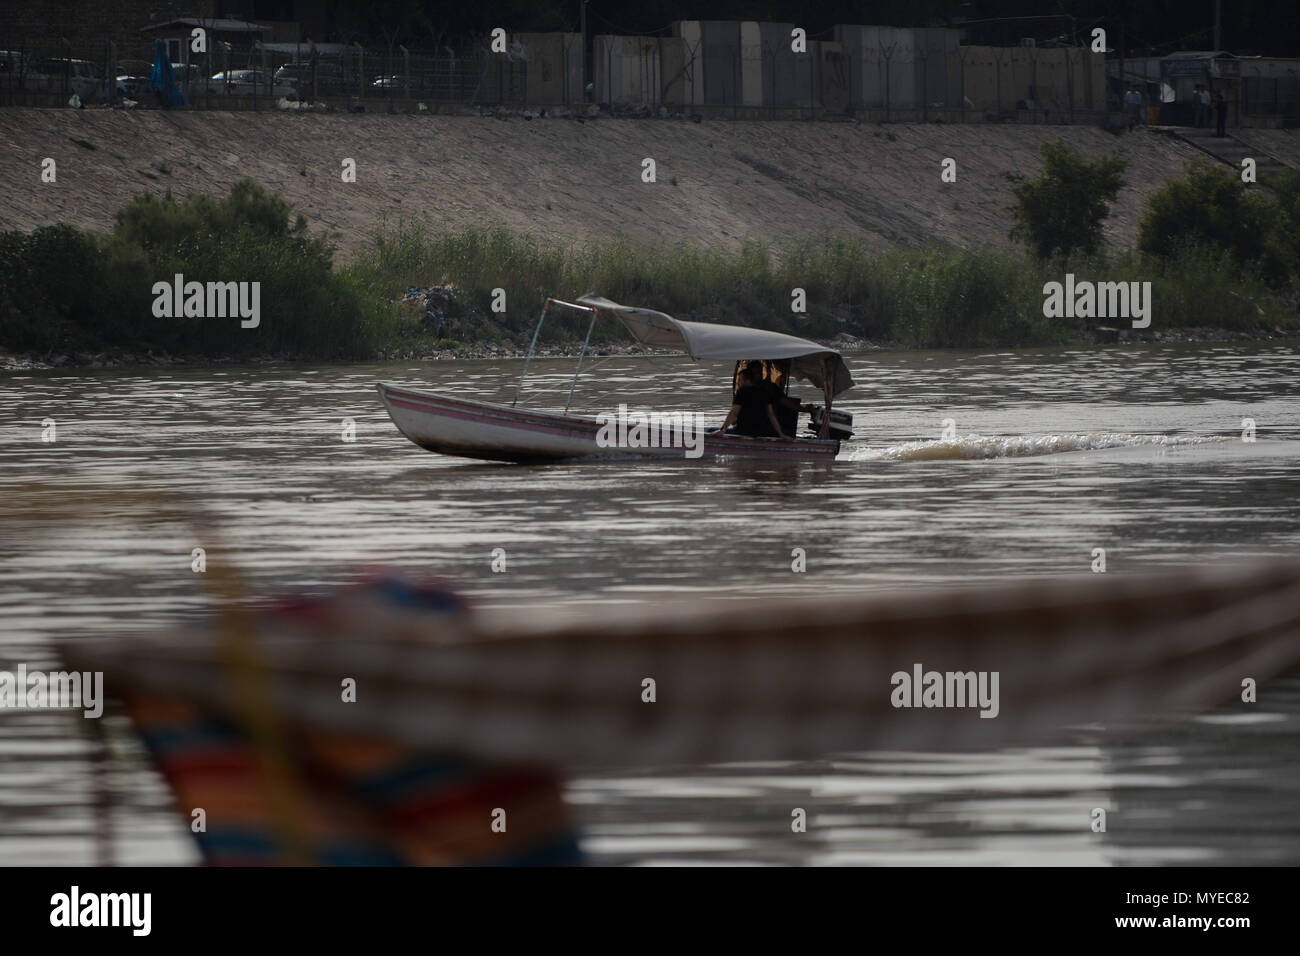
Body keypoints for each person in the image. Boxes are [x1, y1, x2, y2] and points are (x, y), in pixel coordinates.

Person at [717, 362, 791, 439]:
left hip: (743, 432)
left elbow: (734, 413)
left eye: (740, 380)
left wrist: (722, 430)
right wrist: (781, 433)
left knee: (710, 430)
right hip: (762, 432)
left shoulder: (742, 391)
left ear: (747, 380)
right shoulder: (765, 392)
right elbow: (771, 414)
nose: (738, 383)